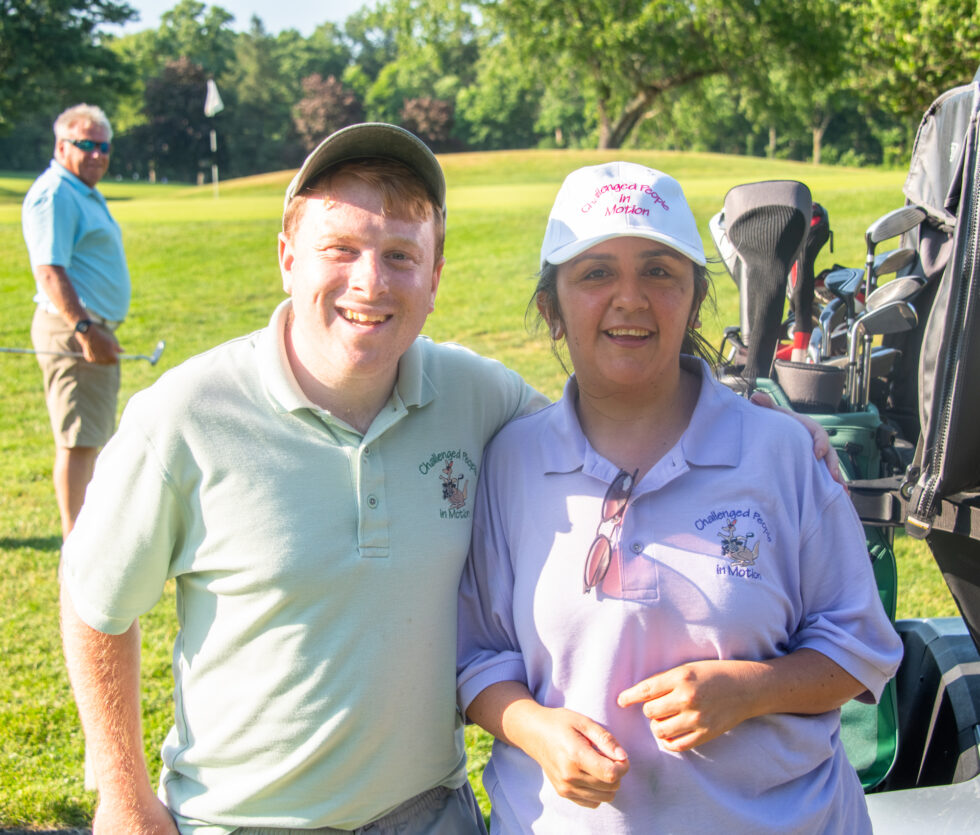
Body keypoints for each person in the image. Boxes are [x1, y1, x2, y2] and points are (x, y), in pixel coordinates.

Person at [60, 124, 839, 835]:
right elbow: (96, 601)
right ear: (288, 256)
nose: (371, 282)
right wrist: (121, 787)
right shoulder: (188, 413)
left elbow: (621, 414)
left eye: (401, 254)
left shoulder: (476, 398)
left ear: (435, 276)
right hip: (237, 819)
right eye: (342, 248)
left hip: (431, 814)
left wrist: (756, 418)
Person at [456, 161, 904, 833]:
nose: (630, 298)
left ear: (695, 298)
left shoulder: (780, 452)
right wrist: (535, 727)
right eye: (595, 272)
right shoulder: (513, 462)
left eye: (660, 271)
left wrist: (753, 689)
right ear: (551, 307)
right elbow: (479, 654)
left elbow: (861, 646)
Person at [22, 103, 129, 542]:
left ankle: (83, 534)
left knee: (89, 436)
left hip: (87, 329)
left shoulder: (80, 190)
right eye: (87, 145)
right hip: (74, 331)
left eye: (104, 146)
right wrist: (85, 329)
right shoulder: (56, 194)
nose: (98, 155)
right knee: (78, 440)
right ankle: (77, 542)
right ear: (62, 145)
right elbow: (49, 271)